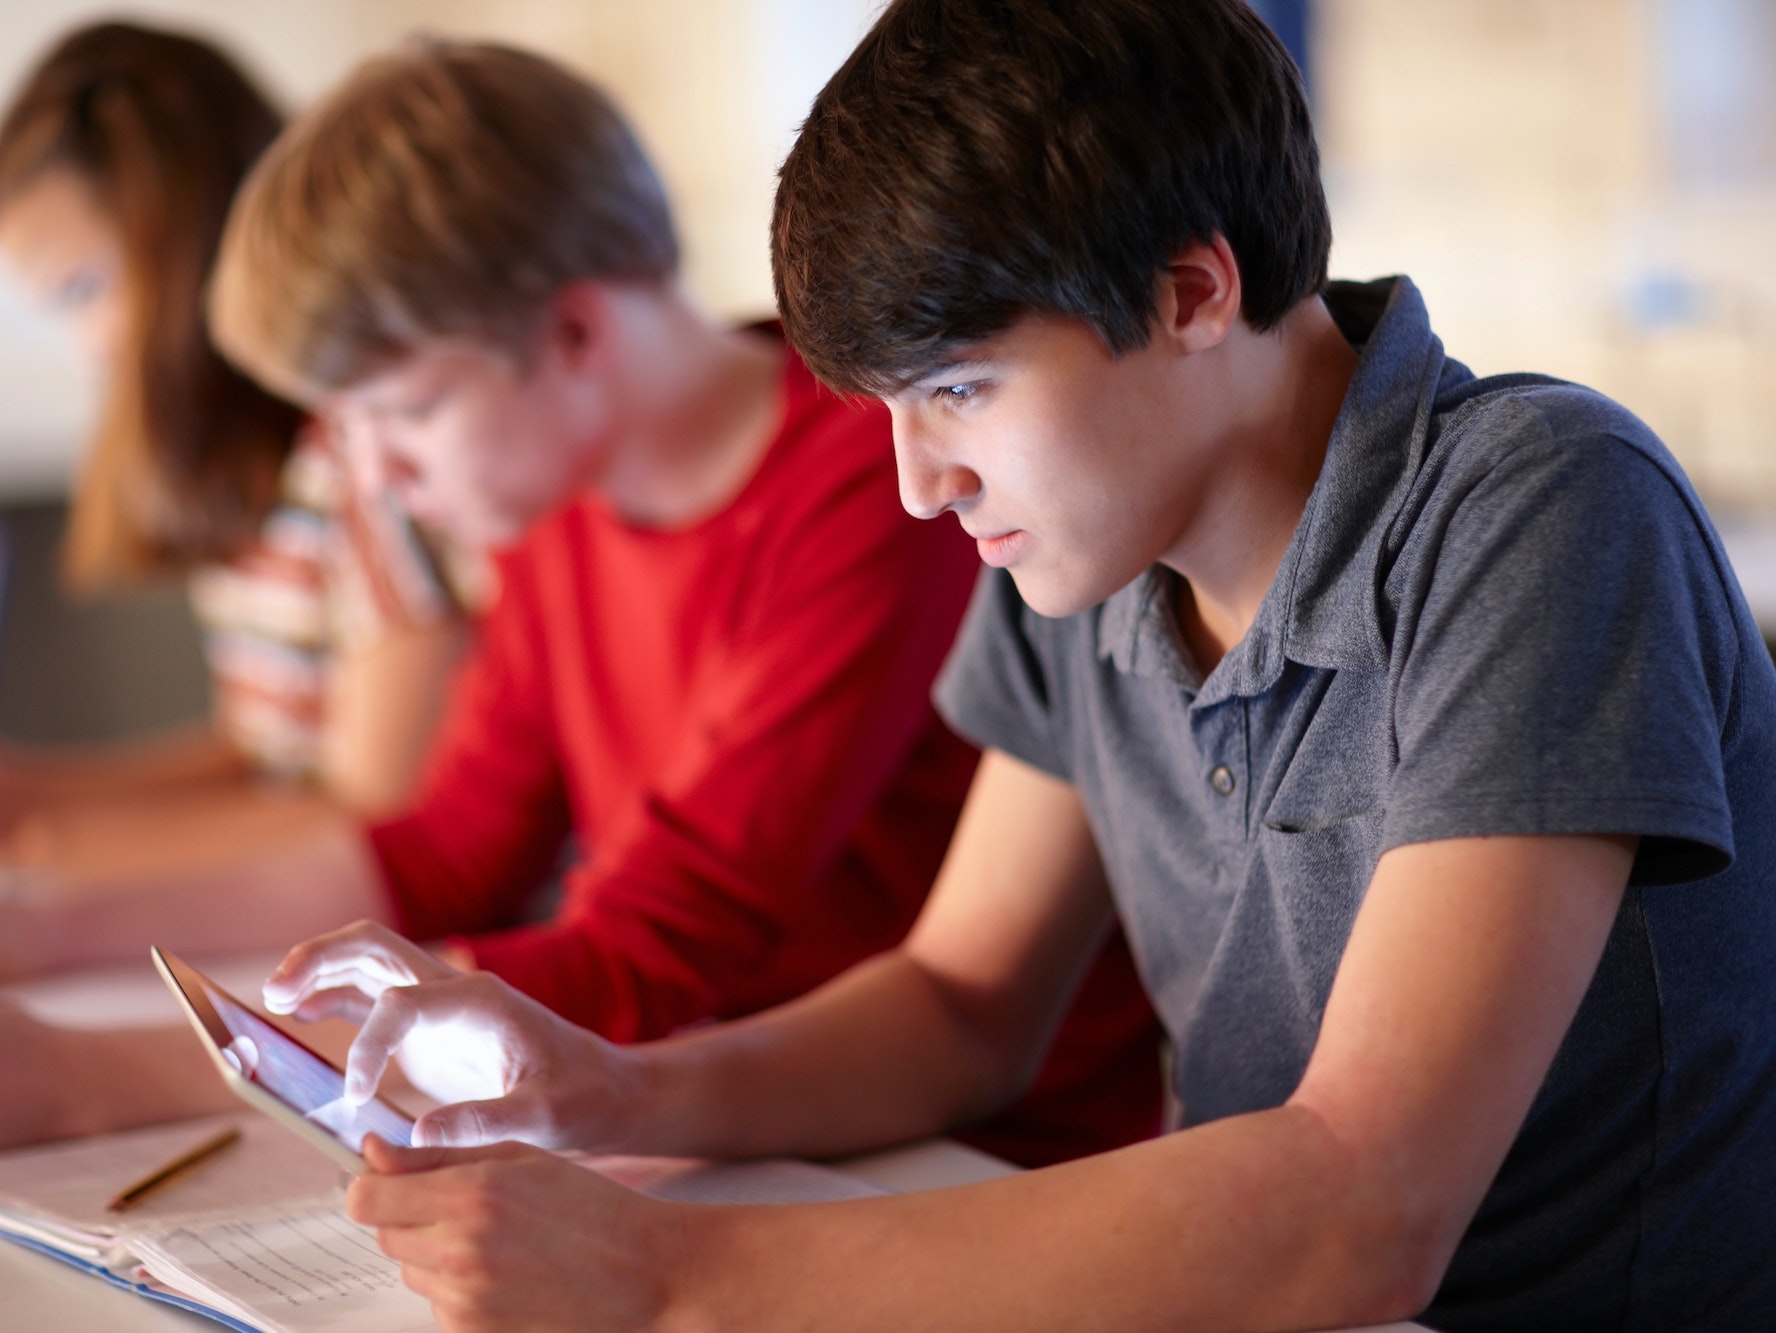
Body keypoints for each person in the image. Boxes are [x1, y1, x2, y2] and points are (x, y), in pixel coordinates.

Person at [243, 1, 1776, 1329]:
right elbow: (960, 1006)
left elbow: (1361, 1199)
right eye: (895, 411)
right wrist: (602, 1089)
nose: (920, 484)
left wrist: (667, 1280)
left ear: (1191, 293)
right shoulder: (1100, 558)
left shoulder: (1540, 505)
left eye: (962, 390)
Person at [0, 39, 1164, 1170]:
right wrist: (17, 930)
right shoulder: (559, 501)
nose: (380, 476)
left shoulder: (863, 481)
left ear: (575, 335)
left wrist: (97, 1080)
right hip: (725, 1126)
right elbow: (444, 850)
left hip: (958, 1152)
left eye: (403, 414)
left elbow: (657, 939)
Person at [0, 21, 472, 896]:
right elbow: (260, 751)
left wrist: (32, 841)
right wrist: (10, 790)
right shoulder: (247, 474)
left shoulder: (367, 455)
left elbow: (369, 804)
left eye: (84, 289)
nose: (88, 350)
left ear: (183, 249)